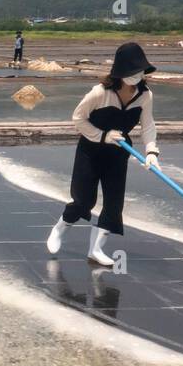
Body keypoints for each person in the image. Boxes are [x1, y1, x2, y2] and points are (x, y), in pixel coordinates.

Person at [45, 42, 160, 266]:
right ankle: (60, 228)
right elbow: (78, 118)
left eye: (139, 72)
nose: (136, 77)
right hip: (91, 150)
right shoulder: (100, 93)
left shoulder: (145, 96)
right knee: (83, 200)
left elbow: (148, 125)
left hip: (118, 153)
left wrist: (151, 151)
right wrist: (102, 135)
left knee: (114, 204)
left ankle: (95, 250)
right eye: (132, 72)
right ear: (120, 73)